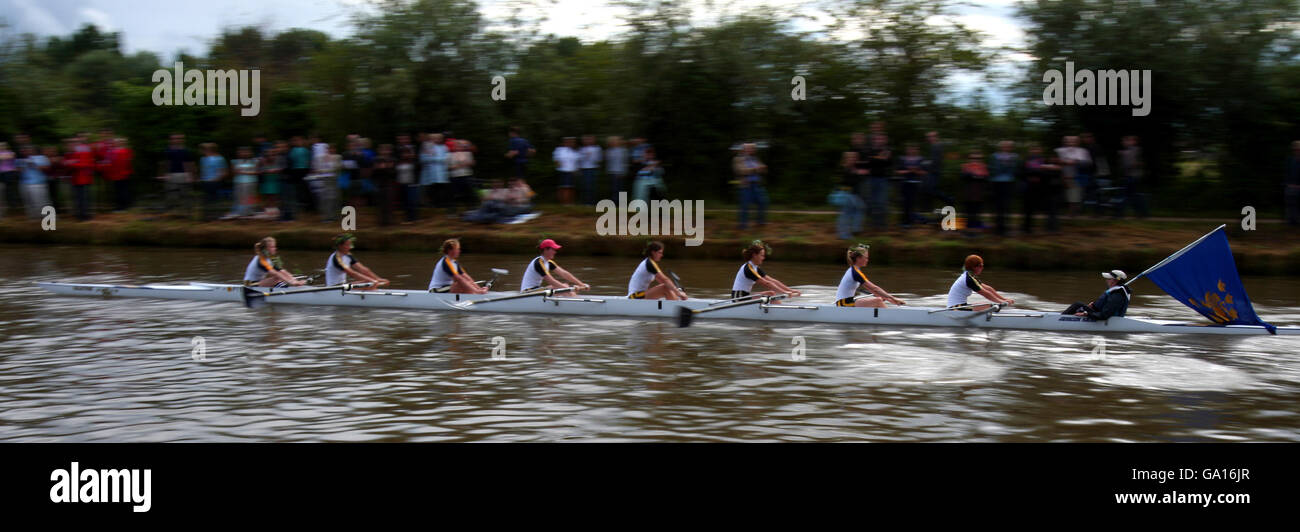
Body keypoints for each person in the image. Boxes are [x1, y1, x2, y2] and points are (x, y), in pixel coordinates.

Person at [834, 244, 904, 308]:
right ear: (858, 258)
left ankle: (882, 316)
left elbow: (872, 290)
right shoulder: (855, 273)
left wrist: (889, 299)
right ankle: (890, 317)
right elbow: (875, 288)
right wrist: (893, 298)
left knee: (880, 298)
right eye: (866, 258)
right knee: (878, 301)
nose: (867, 260)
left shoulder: (855, 270)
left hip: (847, 302)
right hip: (843, 304)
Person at [730, 240, 800, 299]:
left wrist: (790, 290)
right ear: (754, 255)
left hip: (745, 295)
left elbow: (772, 280)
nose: (763, 258)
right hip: (738, 298)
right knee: (771, 294)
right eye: (762, 255)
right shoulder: (749, 269)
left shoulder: (755, 268)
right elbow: (767, 283)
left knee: (771, 293)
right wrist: (784, 292)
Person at [946, 254, 1015, 310]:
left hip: (960, 306)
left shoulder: (970, 276)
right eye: (981, 266)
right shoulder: (969, 279)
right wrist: (1001, 302)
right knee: (992, 306)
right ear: (974, 267)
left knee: (991, 306)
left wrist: (1004, 299)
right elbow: (985, 294)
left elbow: (988, 289)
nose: (982, 268)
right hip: (955, 308)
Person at [519, 238, 590, 292]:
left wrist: (581, 284)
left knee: (563, 286)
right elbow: (550, 281)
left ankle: (573, 301)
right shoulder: (538, 263)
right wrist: (567, 289)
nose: (555, 252)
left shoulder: (549, 262)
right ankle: (575, 304)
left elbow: (564, 274)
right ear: (546, 250)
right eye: (553, 249)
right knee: (559, 287)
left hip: (536, 290)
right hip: (528, 292)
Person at [1021, 144, 1060, 234]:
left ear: (1041, 150)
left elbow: (1047, 173)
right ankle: (1026, 227)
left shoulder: (1044, 160)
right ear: (1030, 150)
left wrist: (1035, 173)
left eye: (1037, 149)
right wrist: (1035, 173)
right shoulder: (1026, 160)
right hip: (1028, 187)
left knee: (1040, 208)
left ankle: (1048, 227)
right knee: (1027, 208)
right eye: (1033, 149)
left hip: (1041, 188)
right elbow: (1022, 172)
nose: (1035, 151)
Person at [1062, 270, 1131, 320]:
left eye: (1109, 279)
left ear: (1115, 281)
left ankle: (1060, 319)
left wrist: (1086, 314)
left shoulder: (1117, 295)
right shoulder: (1115, 291)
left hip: (1110, 319)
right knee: (1078, 305)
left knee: (1078, 305)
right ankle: (1061, 318)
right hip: (1101, 314)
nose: (1106, 280)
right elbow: (1105, 306)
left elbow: (1105, 315)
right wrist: (1094, 306)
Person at [733, 142, 769, 230]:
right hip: (746, 186)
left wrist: (763, 168)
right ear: (744, 149)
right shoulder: (738, 159)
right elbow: (741, 171)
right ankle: (743, 225)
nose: (752, 150)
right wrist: (756, 169)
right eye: (749, 148)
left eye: (753, 148)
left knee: (763, 202)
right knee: (744, 206)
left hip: (757, 185)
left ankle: (760, 222)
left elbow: (763, 170)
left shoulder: (755, 159)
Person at [989, 140, 1019, 236]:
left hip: (1009, 182)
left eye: (1008, 146)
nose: (1006, 148)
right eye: (1004, 146)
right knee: (998, 206)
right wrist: (1002, 165)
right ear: (1001, 147)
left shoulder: (1015, 157)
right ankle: (998, 228)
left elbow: (1015, 170)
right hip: (997, 182)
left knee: (1007, 205)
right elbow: (992, 169)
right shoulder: (995, 156)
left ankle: (1006, 228)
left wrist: (1009, 164)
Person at [835, 151, 866, 239]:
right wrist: (857, 174)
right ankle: (844, 234)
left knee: (858, 210)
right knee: (846, 214)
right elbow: (846, 182)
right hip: (848, 195)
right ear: (846, 159)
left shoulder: (853, 168)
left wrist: (859, 175)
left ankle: (854, 230)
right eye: (850, 158)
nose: (852, 160)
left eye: (854, 158)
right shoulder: (845, 169)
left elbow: (859, 181)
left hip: (854, 194)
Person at [1119, 135, 1149, 219]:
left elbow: (1138, 163)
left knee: (1132, 195)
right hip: (1130, 176)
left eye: (1127, 141)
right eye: (1124, 141)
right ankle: (1140, 213)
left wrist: (1132, 165)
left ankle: (1140, 213)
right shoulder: (1127, 151)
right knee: (1132, 195)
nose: (1124, 143)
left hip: (1134, 176)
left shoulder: (1136, 150)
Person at [66, 135, 95, 221]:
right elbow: (67, 164)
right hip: (75, 178)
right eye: (72, 142)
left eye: (75, 141)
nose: (74, 143)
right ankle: (79, 215)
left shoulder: (84, 150)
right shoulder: (70, 152)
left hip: (84, 178)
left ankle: (85, 215)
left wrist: (74, 164)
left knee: (85, 198)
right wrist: (75, 164)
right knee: (77, 198)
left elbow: (87, 164)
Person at [17, 144, 50, 219]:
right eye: (25, 150)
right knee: (28, 202)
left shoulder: (41, 157)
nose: (26, 151)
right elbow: (18, 171)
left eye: (29, 149)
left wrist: (34, 165)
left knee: (41, 201)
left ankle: (47, 217)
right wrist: (21, 168)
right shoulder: (21, 160)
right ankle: (33, 217)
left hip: (38, 184)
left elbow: (46, 168)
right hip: (24, 183)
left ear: (33, 150)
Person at [897, 144, 926, 227]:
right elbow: (898, 171)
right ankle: (904, 222)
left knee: (912, 203)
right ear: (907, 150)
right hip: (904, 183)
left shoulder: (921, 159)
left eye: (914, 149)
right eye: (910, 149)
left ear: (917, 150)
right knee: (904, 203)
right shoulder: (902, 159)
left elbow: (924, 172)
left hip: (915, 184)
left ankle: (910, 222)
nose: (912, 151)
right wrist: (908, 170)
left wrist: (915, 171)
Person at [102, 137, 134, 212]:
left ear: (119, 143)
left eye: (116, 142)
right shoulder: (125, 151)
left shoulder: (116, 151)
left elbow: (114, 163)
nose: (115, 143)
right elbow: (128, 162)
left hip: (119, 174)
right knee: (123, 190)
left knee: (119, 191)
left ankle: (120, 207)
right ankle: (125, 206)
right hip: (123, 174)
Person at [198, 143, 228, 221]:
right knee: (206, 199)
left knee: (214, 199)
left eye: (204, 149)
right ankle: (207, 215)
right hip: (205, 181)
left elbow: (224, 171)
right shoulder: (203, 159)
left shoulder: (219, 158)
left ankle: (216, 215)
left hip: (215, 182)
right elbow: (203, 170)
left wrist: (217, 179)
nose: (203, 151)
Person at [960, 150, 988, 231]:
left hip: (979, 192)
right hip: (968, 191)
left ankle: (976, 225)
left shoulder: (983, 166)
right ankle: (968, 226)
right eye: (973, 158)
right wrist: (977, 176)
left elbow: (985, 177)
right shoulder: (965, 166)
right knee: (968, 209)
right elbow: (963, 176)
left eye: (978, 158)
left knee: (978, 209)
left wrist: (973, 176)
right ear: (969, 158)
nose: (975, 159)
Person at [228, 146, 260, 218]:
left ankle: (250, 211)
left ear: (250, 152)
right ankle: (241, 212)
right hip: (239, 182)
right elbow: (232, 173)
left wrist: (243, 172)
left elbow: (257, 172)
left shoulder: (255, 161)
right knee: (239, 197)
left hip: (251, 181)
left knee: (251, 197)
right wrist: (236, 172)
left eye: (246, 151)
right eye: (242, 152)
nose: (244, 153)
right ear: (238, 153)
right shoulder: (234, 161)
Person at [553, 136, 579, 205]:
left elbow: (576, 162)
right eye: (569, 141)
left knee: (571, 188)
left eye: (572, 142)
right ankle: (564, 203)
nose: (571, 143)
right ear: (564, 142)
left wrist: (576, 170)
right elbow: (556, 160)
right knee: (564, 188)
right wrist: (558, 164)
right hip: (563, 171)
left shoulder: (574, 151)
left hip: (572, 172)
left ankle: (570, 203)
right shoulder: (559, 150)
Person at [578, 135, 602, 205]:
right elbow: (579, 160)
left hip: (593, 169)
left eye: (590, 139)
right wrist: (585, 156)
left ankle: (592, 202)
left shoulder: (597, 148)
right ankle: (585, 202)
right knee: (585, 186)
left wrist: (592, 157)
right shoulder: (581, 149)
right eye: (586, 140)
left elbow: (599, 159)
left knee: (593, 186)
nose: (588, 141)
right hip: (584, 169)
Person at [0, 142, 15, 217]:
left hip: (9, 172)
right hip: (1, 173)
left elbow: (9, 157)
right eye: (0, 146)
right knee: (2, 191)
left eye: (3, 146)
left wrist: (2, 157)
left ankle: (11, 204)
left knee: (9, 190)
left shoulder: (10, 152)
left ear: (6, 146)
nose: (2, 147)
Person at [1288, 140, 1300, 227]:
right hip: (1291, 186)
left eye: (1298, 149)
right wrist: (1288, 184)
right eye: (1295, 149)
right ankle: (1292, 222)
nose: (1297, 151)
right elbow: (1287, 172)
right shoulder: (1290, 160)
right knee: (1291, 204)